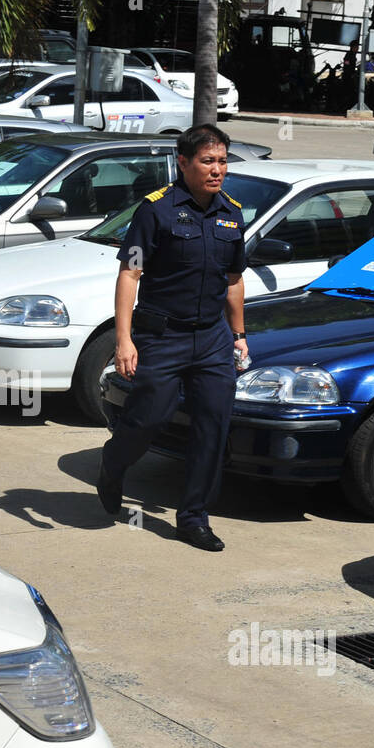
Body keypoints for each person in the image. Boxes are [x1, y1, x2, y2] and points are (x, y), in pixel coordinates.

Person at [97, 123, 247, 552]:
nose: (216, 170)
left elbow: (234, 280)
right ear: (183, 163)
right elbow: (130, 273)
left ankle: (193, 518)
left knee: (212, 427)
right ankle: (113, 462)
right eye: (207, 161)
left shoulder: (232, 213)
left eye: (221, 161)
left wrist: (239, 335)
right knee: (148, 419)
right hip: (163, 338)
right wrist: (124, 340)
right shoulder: (155, 211)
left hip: (214, 340)